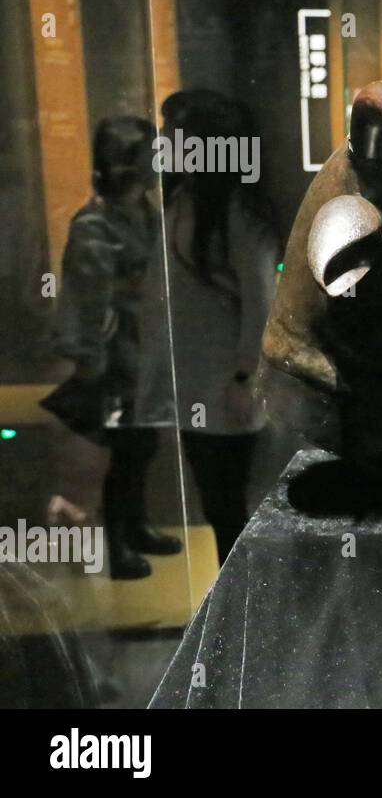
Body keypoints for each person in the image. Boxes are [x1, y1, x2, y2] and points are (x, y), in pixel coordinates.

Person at [136, 91, 279, 565]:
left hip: (224, 386)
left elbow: (261, 300)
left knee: (228, 506)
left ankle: (242, 611)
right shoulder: (186, 199)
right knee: (219, 505)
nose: (165, 138)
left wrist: (244, 378)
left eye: (174, 130)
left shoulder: (234, 209)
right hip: (194, 381)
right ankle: (235, 608)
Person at [49, 117, 181, 579]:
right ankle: (118, 541)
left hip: (141, 350)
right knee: (122, 452)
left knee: (141, 446)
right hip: (115, 356)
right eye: (148, 157)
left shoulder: (141, 211)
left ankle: (136, 526)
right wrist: (90, 360)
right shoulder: (95, 223)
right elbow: (89, 301)